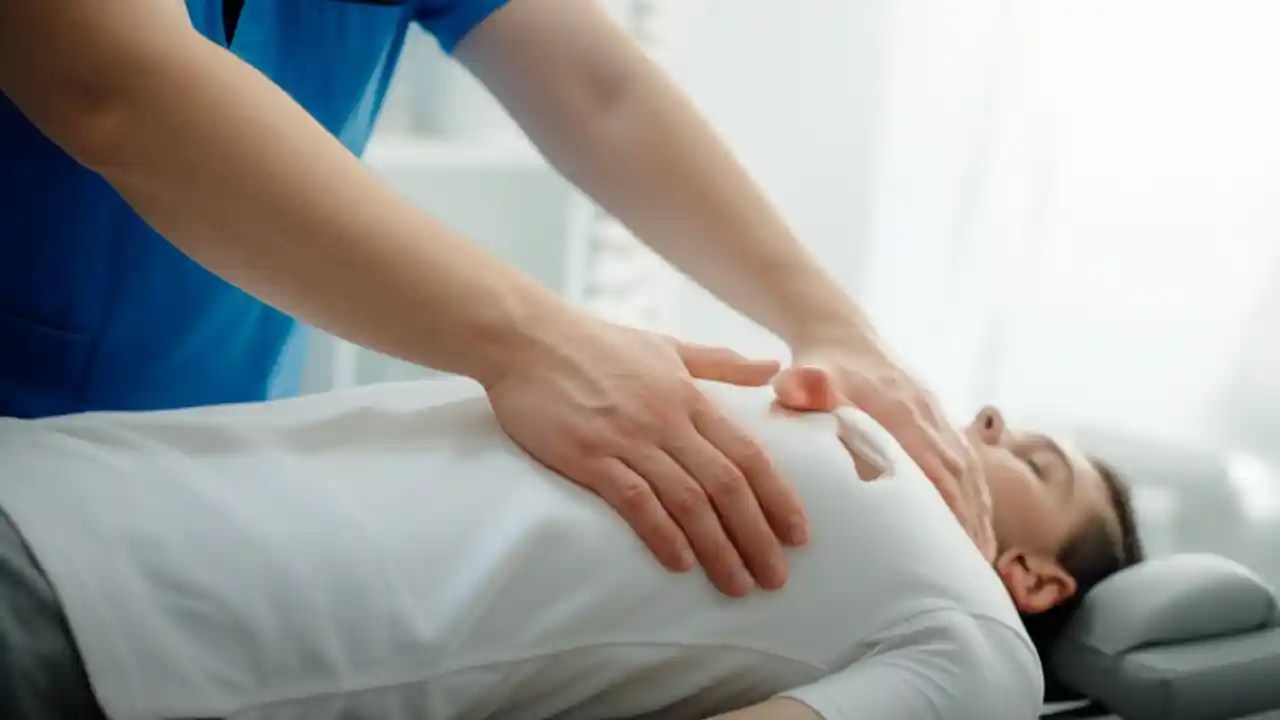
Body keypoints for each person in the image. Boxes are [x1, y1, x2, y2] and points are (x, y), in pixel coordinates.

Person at [0, 0, 982, 598]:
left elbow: (601, 90)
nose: (978, 436)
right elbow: (112, 83)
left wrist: (832, 329)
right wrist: (536, 347)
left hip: (198, 459)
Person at [0, 377, 1144, 720]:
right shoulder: (828, 398)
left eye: (1032, 459)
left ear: (1030, 577)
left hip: (136, 620)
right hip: (86, 469)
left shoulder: (978, 646)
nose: (989, 420)